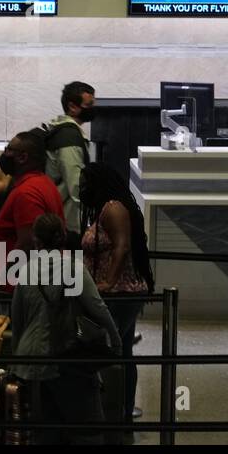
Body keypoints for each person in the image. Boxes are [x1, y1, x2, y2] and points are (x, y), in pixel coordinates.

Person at [10, 212, 121, 444]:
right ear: (62, 237)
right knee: (86, 426)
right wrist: (115, 339)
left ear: (36, 241)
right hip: (65, 356)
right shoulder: (74, 269)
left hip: (31, 362)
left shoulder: (26, 270)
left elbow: (17, 318)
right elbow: (98, 308)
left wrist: (16, 359)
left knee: (45, 429)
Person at [78, 162, 153, 428]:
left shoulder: (113, 208)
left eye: (85, 182)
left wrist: (108, 282)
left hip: (121, 293)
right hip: (121, 292)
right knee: (122, 352)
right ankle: (122, 408)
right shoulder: (104, 209)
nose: (81, 187)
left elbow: (122, 246)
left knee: (112, 350)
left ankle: (115, 408)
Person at [0, 129, 64, 288]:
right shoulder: (45, 183)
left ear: (23, 157)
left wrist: (1, 278)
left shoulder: (26, 193)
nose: (5, 154)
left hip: (19, 288)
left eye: (9, 150)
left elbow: (28, 244)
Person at [46, 81, 96, 233]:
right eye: (89, 105)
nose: (93, 108)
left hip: (59, 215)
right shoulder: (69, 139)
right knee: (66, 257)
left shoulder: (64, 130)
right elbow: (76, 186)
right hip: (65, 220)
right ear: (73, 107)